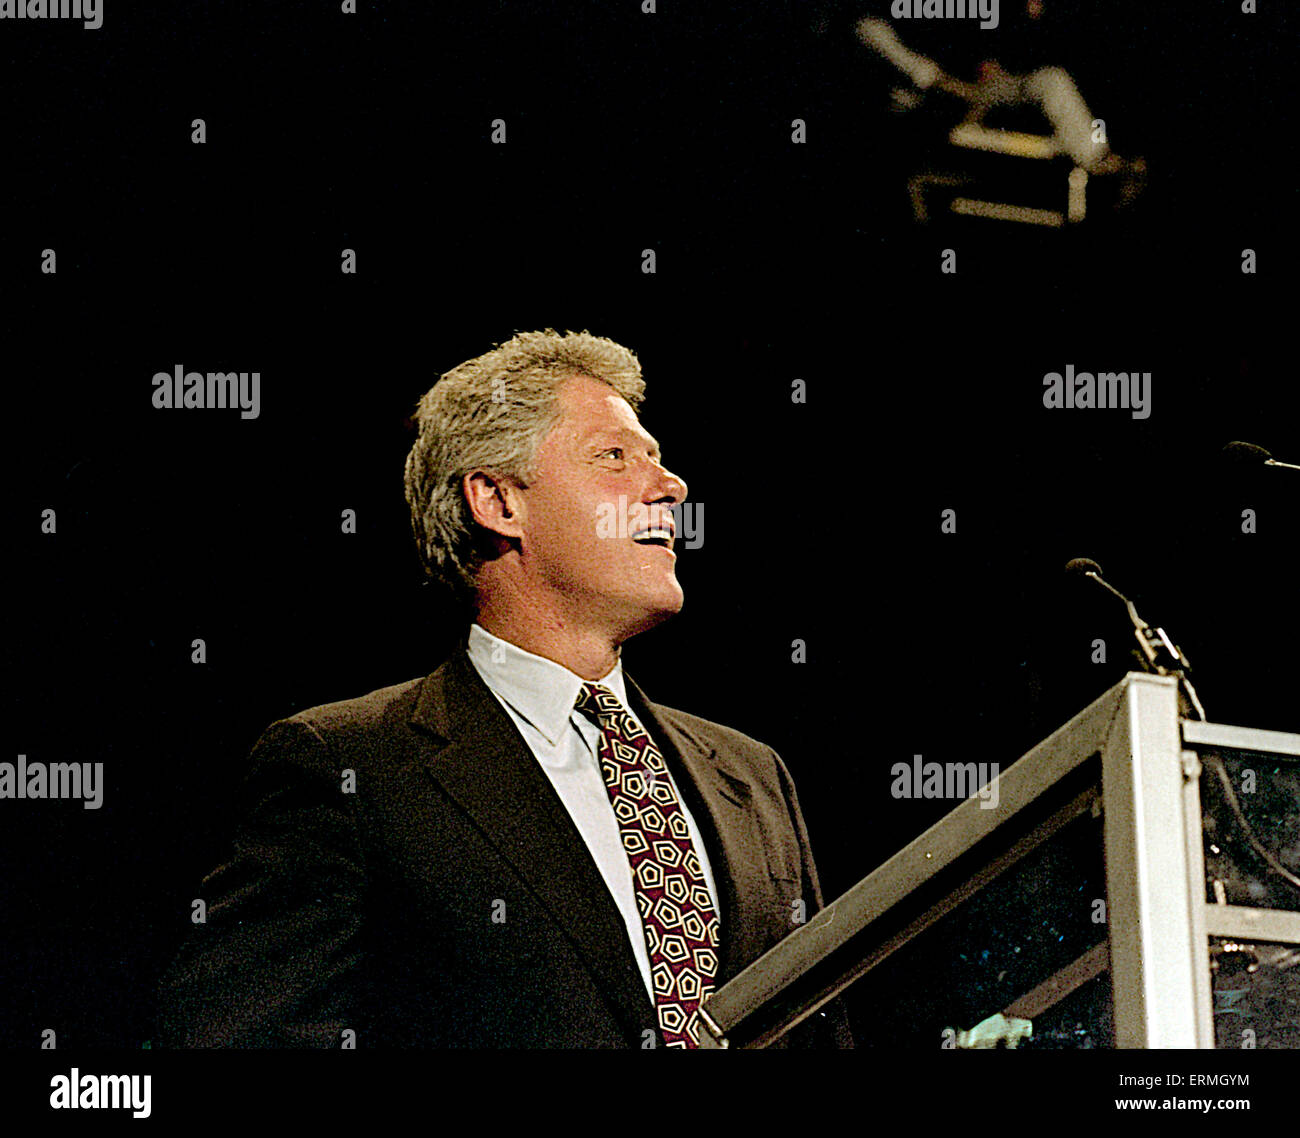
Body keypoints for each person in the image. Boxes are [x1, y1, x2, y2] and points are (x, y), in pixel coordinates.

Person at [155, 329, 853, 1049]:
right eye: (614, 456)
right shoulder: (346, 768)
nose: (669, 485)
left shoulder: (751, 773)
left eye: (658, 458)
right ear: (497, 501)